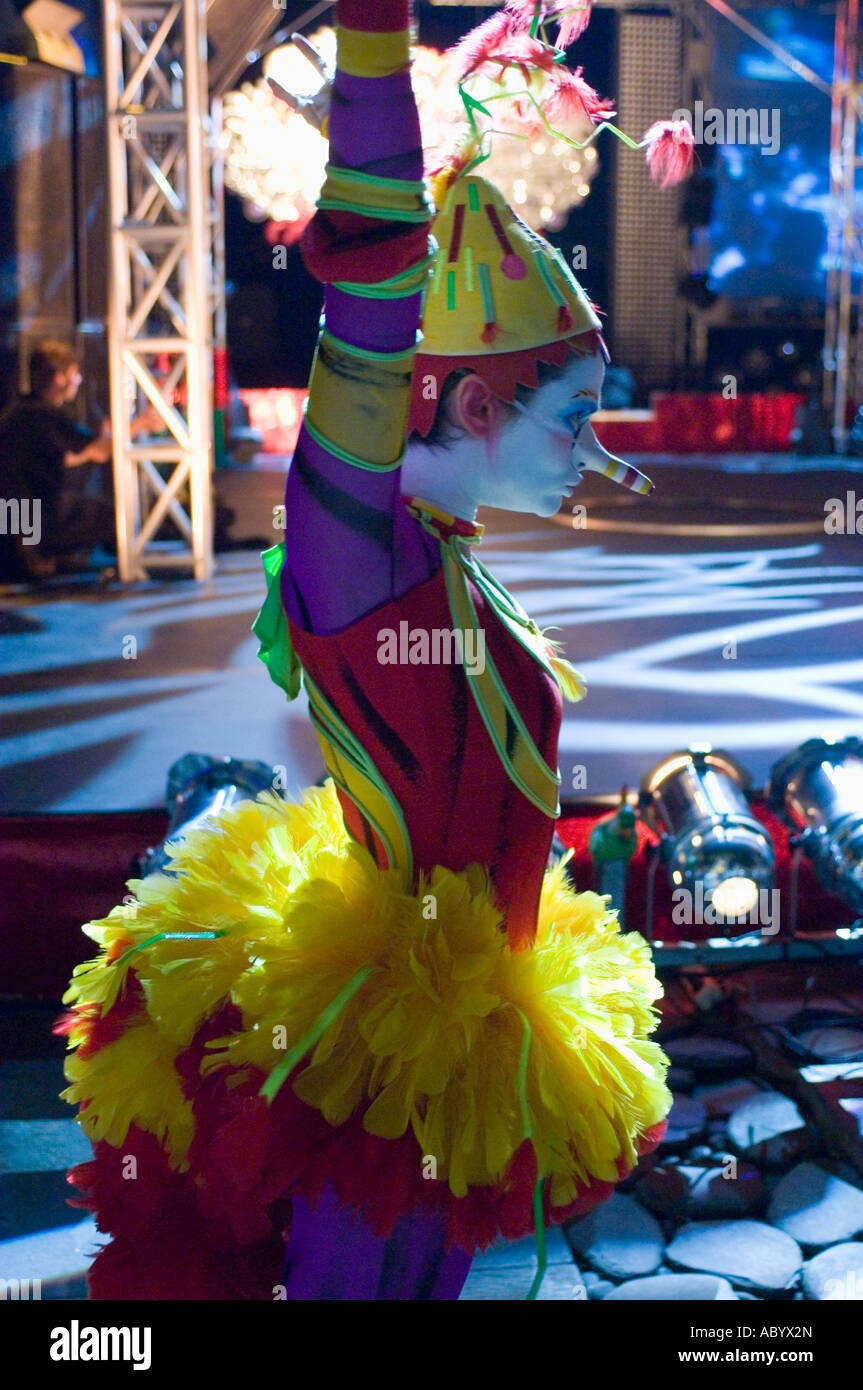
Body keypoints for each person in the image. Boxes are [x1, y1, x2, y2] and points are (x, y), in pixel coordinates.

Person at [59, 0, 691, 1300]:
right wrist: (370, 36)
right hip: (385, 1006)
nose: (594, 447)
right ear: (468, 400)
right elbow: (372, 285)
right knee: (369, 1261)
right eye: (571, 412)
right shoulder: (363, 548)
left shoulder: (449, 556)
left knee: (429, 1265)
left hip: (477, 989)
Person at [0, 340, 160, 580]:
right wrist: (141, 425)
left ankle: (39, 560)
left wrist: (105, 438)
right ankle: (46, 559)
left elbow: (71, 455)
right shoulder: (45, 415)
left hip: (15, 515)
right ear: (58, 379)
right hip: (30, 517)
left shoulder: (20, 411)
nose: (79, 380)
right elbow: (98, 451)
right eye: (75, 374)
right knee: (115, 516)